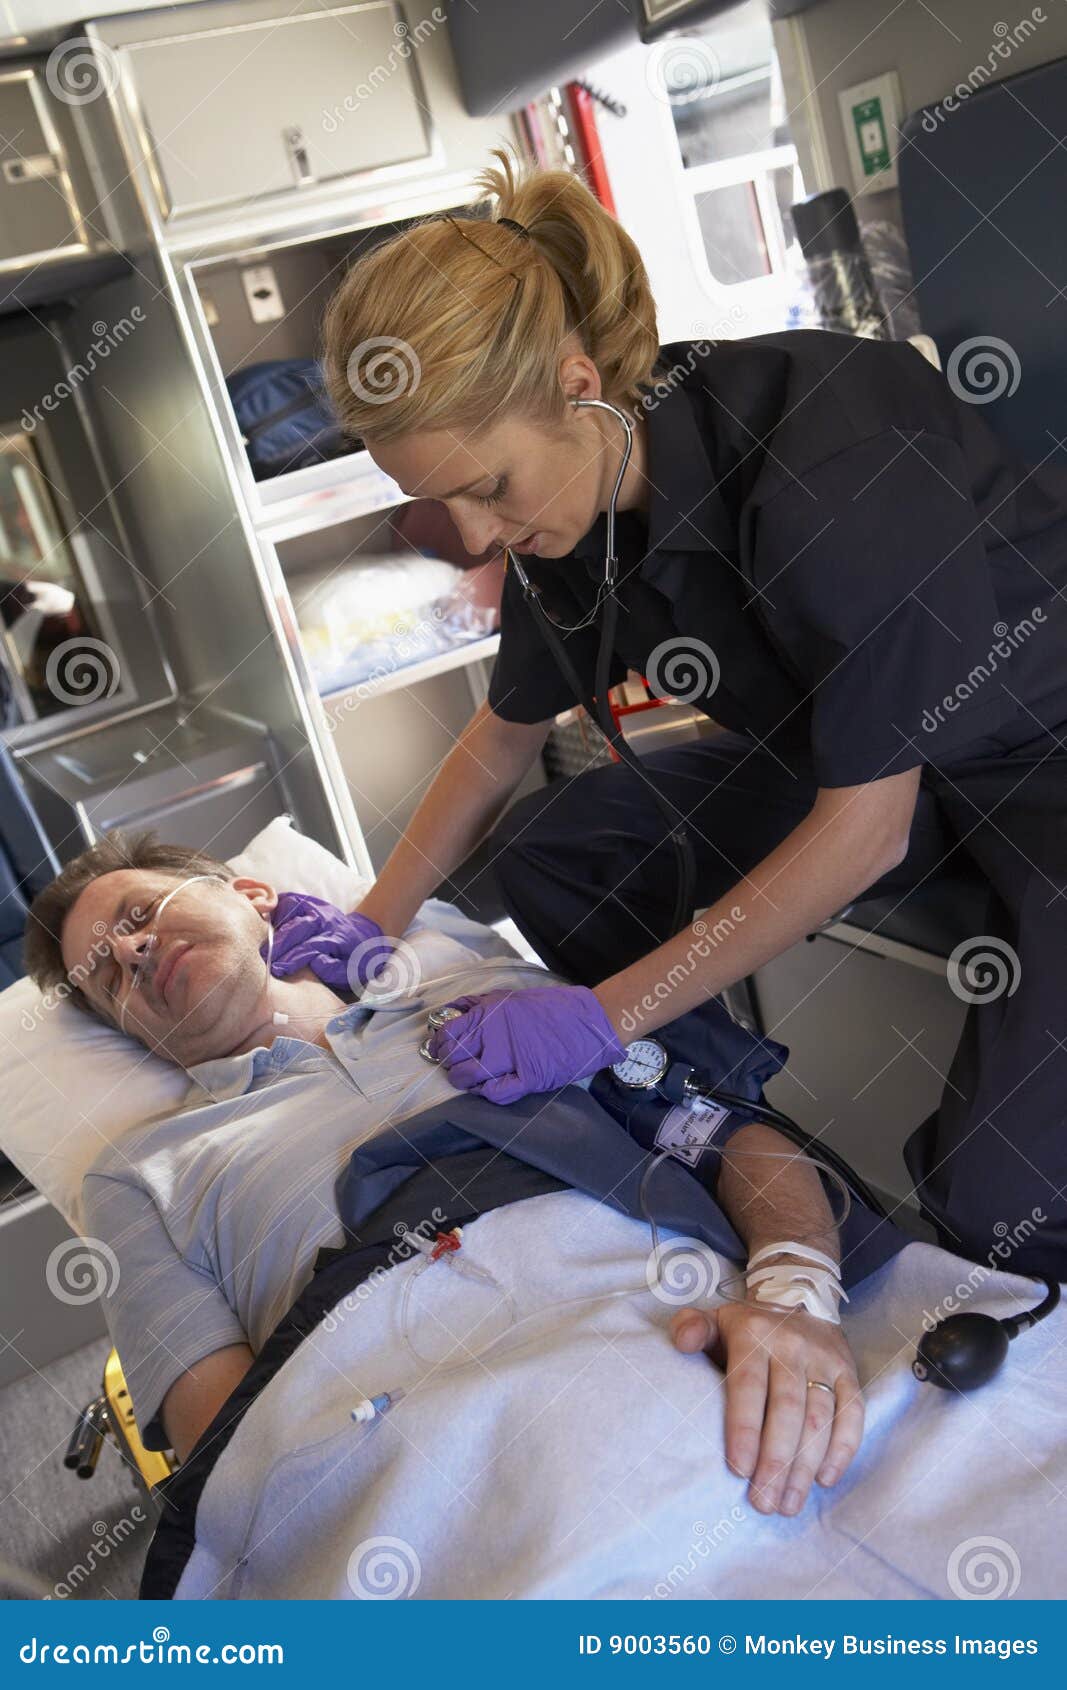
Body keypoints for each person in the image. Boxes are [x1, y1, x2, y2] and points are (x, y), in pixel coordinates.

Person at [318, 145, 1067, 1280]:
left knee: (997, 1197)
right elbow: (500, 741)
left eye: (486, 489)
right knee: (561, 854)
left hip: (1034, 761)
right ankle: (746, 1150)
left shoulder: (828, 452)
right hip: (873, 768)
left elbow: (861, 831)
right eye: (433, 502)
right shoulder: (571, 516)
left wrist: (602, 1015)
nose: (469, 538)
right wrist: (369, 925)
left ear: (577, 386)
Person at [23, 828, 874, 1516]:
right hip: (433, 1464)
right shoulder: (137, 1178)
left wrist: (793, 1296)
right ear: (131, 1032)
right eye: (105, 974)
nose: (131, 950)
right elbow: (233, 1456)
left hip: (688, 1334)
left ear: (250, 898)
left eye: (138, 913)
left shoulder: (487, 1000)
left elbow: (720, 1132)